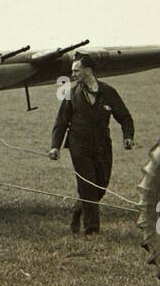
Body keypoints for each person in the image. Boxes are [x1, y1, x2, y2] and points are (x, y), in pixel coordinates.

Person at [48, 53, 135, 235]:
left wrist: (128, 136)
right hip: (79, 145)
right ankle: (91, 229)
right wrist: (55, 146)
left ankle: (79, 208)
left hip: (102, 144)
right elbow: (61, 121)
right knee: (88, 184)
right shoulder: (71, 93)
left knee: (101, 185)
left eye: (76, 71)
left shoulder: (108, 92)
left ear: (88, 71)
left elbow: (124, 116)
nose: (73, 75)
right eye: (72, 71)